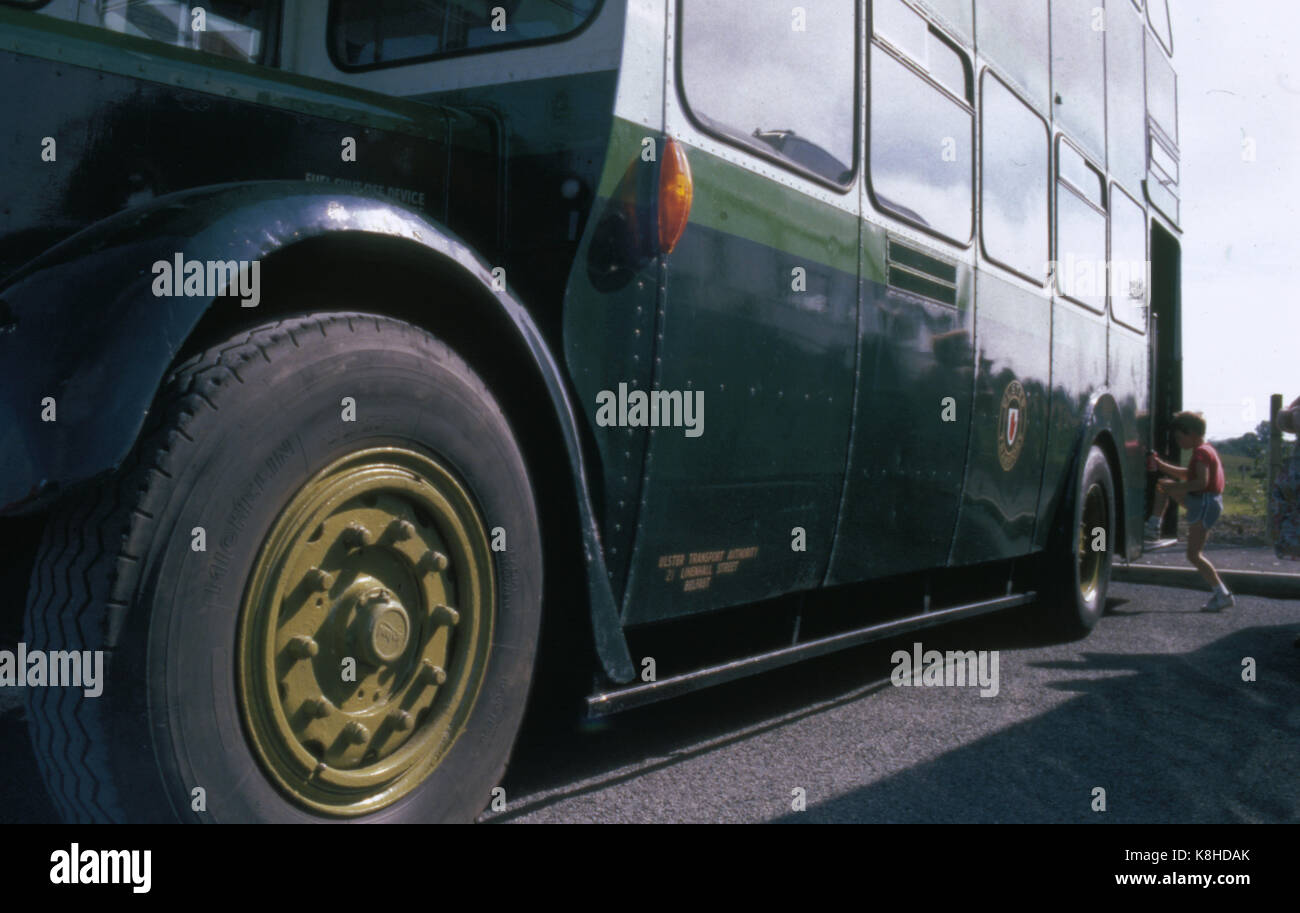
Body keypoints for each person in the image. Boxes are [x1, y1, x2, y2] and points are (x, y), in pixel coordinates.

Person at [1143, 411, 1234, 611]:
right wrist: (1161, 466)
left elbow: (1200, 482)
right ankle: (1154, 525)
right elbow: (1188, 474)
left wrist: (1173, 488)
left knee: (1194, 555)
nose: (1178, 441)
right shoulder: (1205, 449)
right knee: (1163, 484)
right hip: (1205, 501)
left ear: (1191, 433)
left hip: (1204, 502)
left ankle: (1222, 594)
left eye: (1179, 437)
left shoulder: (1201, 452)